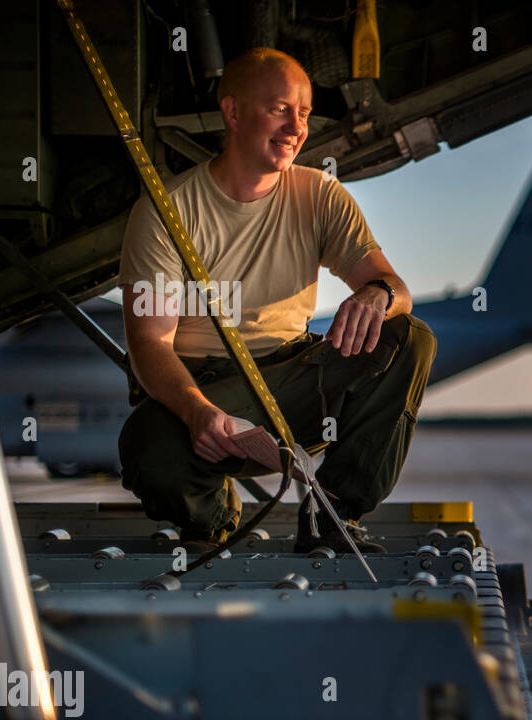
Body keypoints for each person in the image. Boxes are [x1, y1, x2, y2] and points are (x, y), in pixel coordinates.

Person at [117, 48, 435, 553]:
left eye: (303, 113)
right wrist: (198, 412)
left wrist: (378, 294)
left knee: (407, 336)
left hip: (295, 385)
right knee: (147, 447)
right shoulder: (165, 211)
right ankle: (212, 519)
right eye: (279, 109)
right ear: (233, 112)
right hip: (206, 393)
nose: (296, 128)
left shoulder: (319, 195)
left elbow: (398, 290)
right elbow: (149, 343)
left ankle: (335, 513)